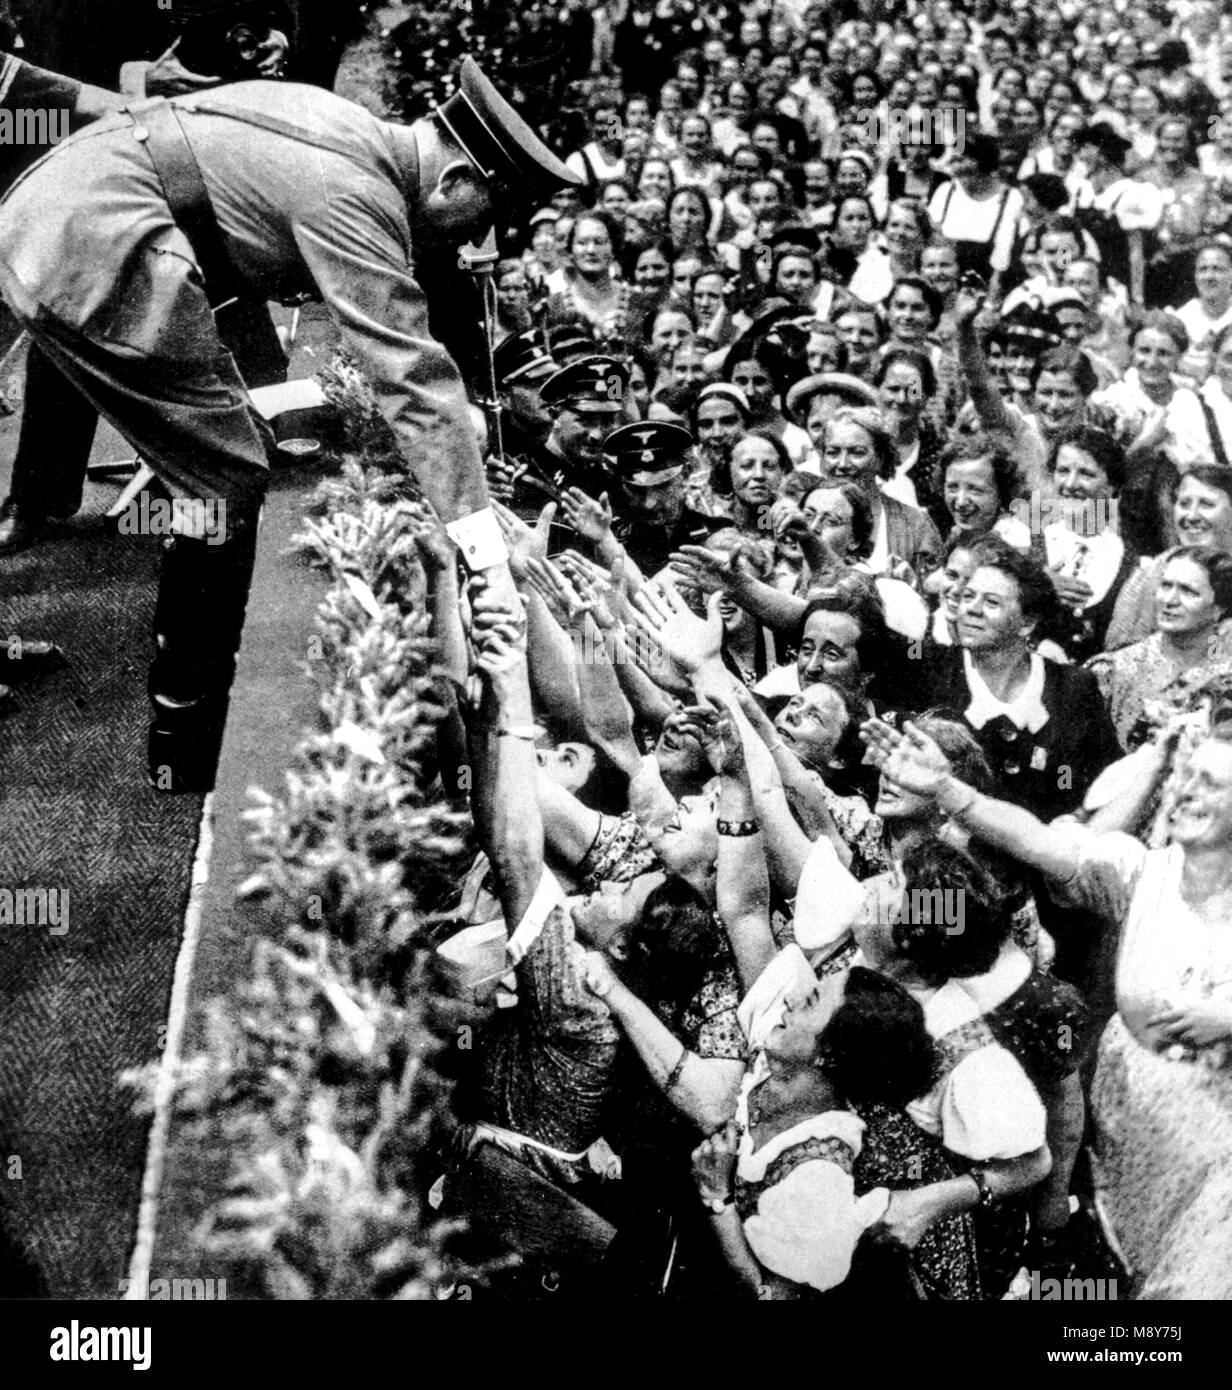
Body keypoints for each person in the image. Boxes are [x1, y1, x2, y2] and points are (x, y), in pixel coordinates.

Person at [0, 57, 582, 790]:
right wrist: (485, 552)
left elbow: (209, 205)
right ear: (456, 183)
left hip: (60, 203)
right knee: (225, 480)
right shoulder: (357, 195)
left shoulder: (342, 123)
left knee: (226, 451)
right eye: (484, 221)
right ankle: (185, 732)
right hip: (89, 240)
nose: (471, 243)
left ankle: (184, 721)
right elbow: (413, 375)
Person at [861, 717, 1232, 1298]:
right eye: (1186, 776)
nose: (1184, 792)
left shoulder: (1034, 1000)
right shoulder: (1143, 873)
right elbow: (1041, 843)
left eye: (1210, 783)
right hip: (1130, 1145)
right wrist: (946, 789)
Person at [1088, 549, 1232, 751]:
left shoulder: (1226, 675)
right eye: (1165, 586)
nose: (1170, 600)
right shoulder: (1111, 672)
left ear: (1219, 607)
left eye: (1188, 591)